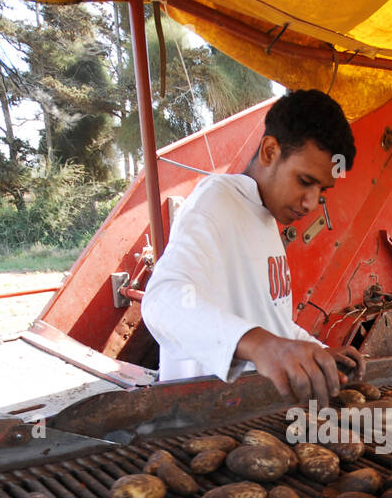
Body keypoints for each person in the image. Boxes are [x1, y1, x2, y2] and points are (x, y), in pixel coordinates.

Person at [141, 89, 364, 404]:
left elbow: (270, 321)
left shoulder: (266, 215)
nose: (311, 203)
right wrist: (260, 344)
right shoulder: (216, 201)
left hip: (252, 415)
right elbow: (162, 301)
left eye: (322, 190)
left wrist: (319, 351)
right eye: (304, 181)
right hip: (202, 416)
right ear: (270, 151)